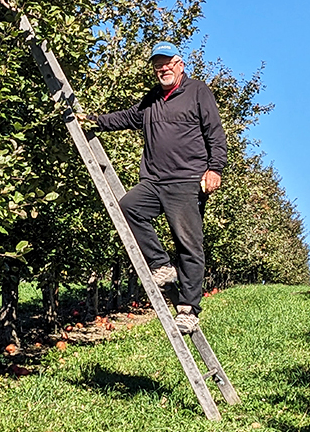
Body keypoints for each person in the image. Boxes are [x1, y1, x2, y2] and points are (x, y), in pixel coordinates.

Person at [90, 42, 227, 334]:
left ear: (180, 64)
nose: (162, 69)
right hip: (153, 180)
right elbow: (128, 117)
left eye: (167, 63)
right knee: (128, 208)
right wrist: (95, 122)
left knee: (188, 244)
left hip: (187, 180)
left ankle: (189, 309)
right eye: (157, 65)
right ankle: (160, 264)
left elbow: (214, 131)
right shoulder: (153, 99)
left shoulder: (197, 92)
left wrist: (215, 168)